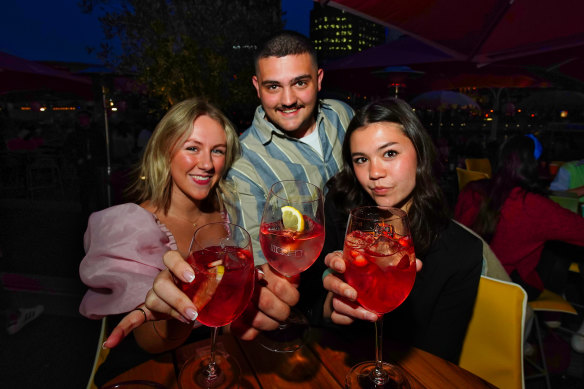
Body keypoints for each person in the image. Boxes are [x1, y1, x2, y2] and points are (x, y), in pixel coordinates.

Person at [319, 98, 483, 364]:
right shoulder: (342, 215)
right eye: (361, 159)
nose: (374, 172)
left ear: (420, 152)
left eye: (390, 153)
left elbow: (439, 360)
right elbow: (312, 310)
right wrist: (331, 306)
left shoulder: (461, 252)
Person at [79, 98, 242, 357]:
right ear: (165, 150)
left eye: (218, 151)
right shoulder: (130, 227)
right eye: (193, 148)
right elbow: (148, 342)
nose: (208, 164)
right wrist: (178, 314)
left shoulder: (232, 212)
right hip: (163, 364)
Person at [224, 30, 354, 337]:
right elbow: (257, 263)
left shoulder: (343, 115)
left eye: (300, 82)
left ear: (319, 79)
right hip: (308, 316)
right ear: (257, 87)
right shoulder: (244, 164)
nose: (288, 100)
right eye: (273, 86)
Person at [454, 134, 584, 352]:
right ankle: (550, 314)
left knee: (550, 241)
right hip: (511, 288)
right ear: (534, 166)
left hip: (469, 281)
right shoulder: (534, 206)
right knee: (558, 246)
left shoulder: (471, 191)